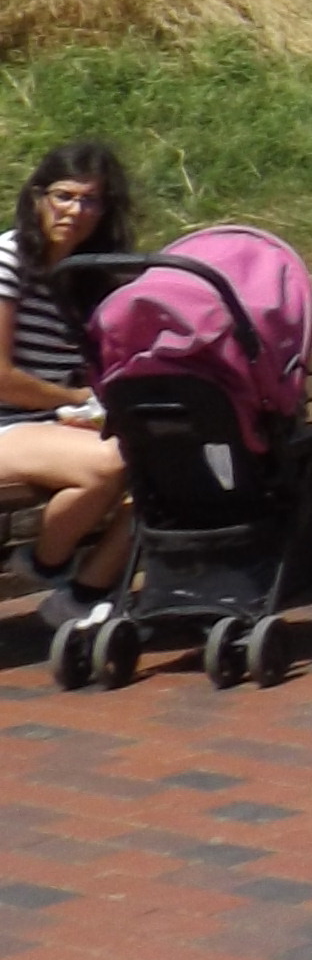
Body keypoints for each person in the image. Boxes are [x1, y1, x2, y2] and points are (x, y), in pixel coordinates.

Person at [0, 145, 134, 630]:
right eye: (64, 196)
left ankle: (82, 595)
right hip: (7, 421)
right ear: (37, 196)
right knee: (112, 462)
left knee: (170, 469)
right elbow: (2, 378)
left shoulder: (91, 272)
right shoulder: (9, 258)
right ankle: (45, 564)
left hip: (54, 420)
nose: (75, 211)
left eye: (91, 201)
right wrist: (77, 400)